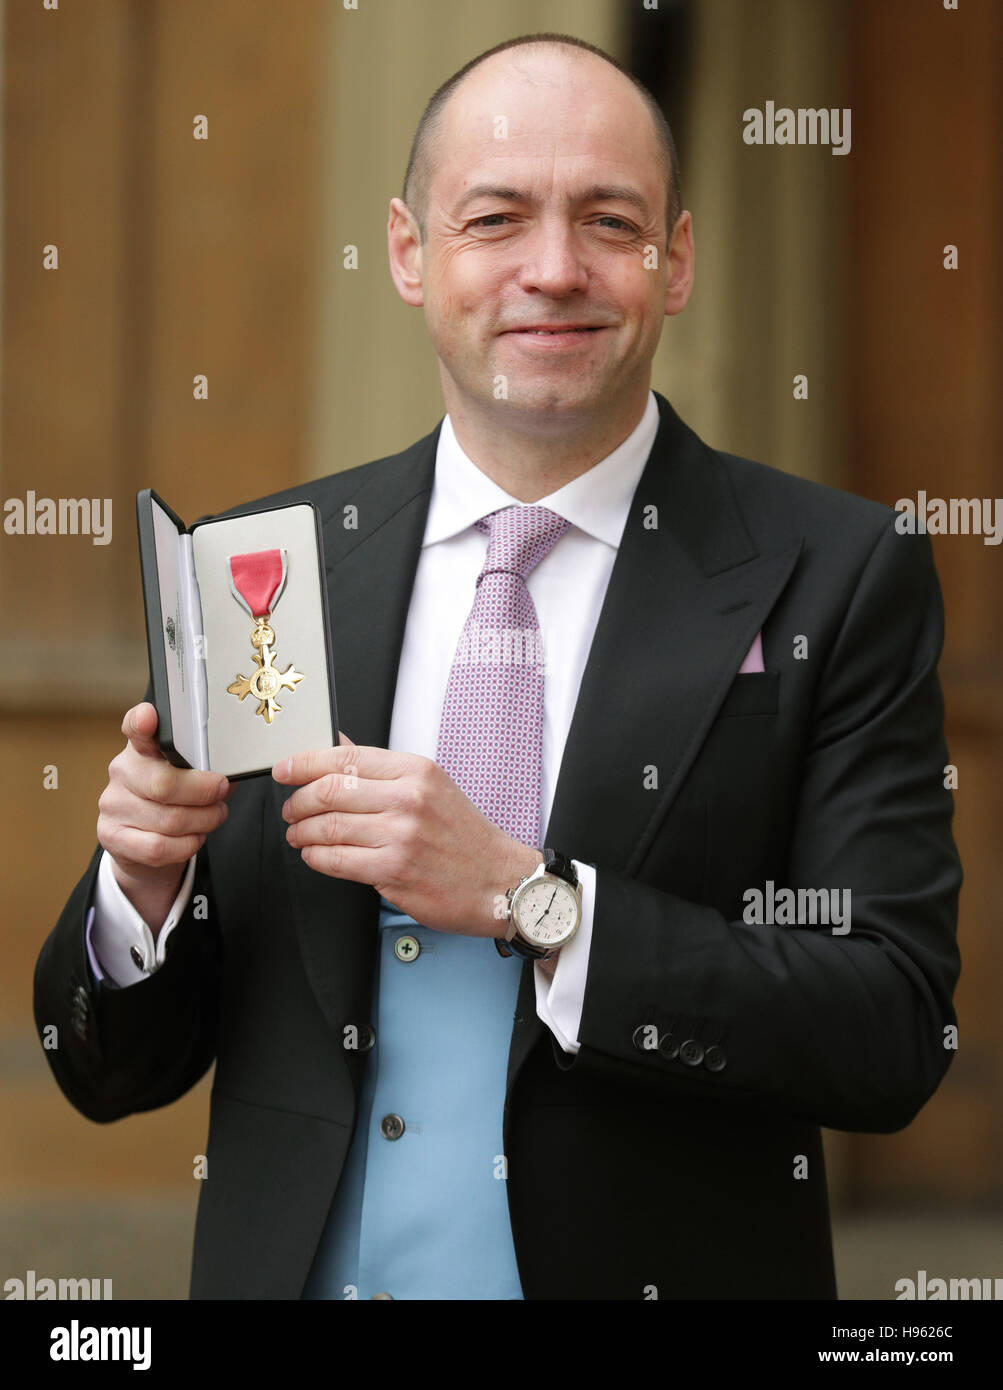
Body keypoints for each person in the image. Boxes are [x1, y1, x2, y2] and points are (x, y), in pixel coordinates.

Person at [34, 33, 961, 1300]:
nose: (554, 269)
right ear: (412, 255)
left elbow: (890, 1024)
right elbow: (111, 1073)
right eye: (495, 218)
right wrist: (140, 892)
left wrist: (537, 899)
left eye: (608, 220)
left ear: (674, 259)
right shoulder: (266, 565)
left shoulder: (837, 573)